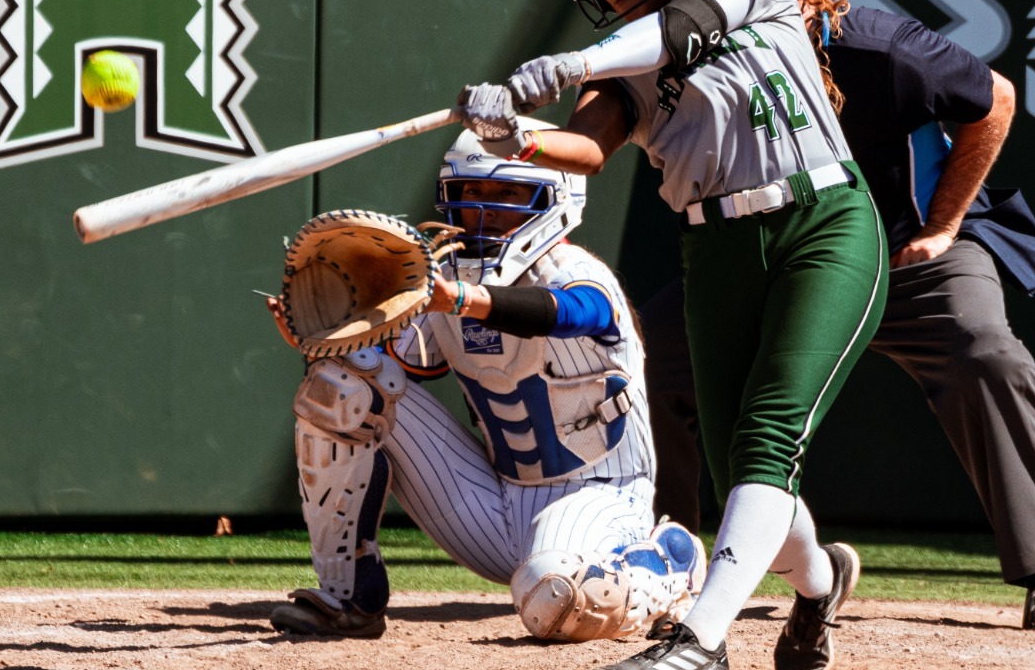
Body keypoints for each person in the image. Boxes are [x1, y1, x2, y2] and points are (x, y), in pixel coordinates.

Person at [457, 0, 887, 670]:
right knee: (744, 472)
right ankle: (820, 582)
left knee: (767, 438)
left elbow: (681, 30)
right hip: (715, 249)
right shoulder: (618, 62)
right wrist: (514, 134)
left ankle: (702, 642)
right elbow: (587, 146)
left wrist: (568, 61)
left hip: (822, 223)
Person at [640, 0, 1035, 632]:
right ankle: (668, 564)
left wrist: (946, 225)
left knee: (982, 345)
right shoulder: (708, 58)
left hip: (906, 248)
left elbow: (995, 100)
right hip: (785, 253)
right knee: (660, 344)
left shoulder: (880, 48)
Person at [264, 123, 705, 643]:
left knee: (555, 600)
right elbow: (389, 365)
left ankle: (673, 566)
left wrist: (461, 300)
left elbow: (569, 312)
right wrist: (321, 341)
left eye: (507, 193)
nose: (485, 208)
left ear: (554, 198)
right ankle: (347, 597)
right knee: (339, 385)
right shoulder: (445, 277)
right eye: (472, 191)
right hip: (494, 501)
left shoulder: (574, 271)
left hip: (598, 498)